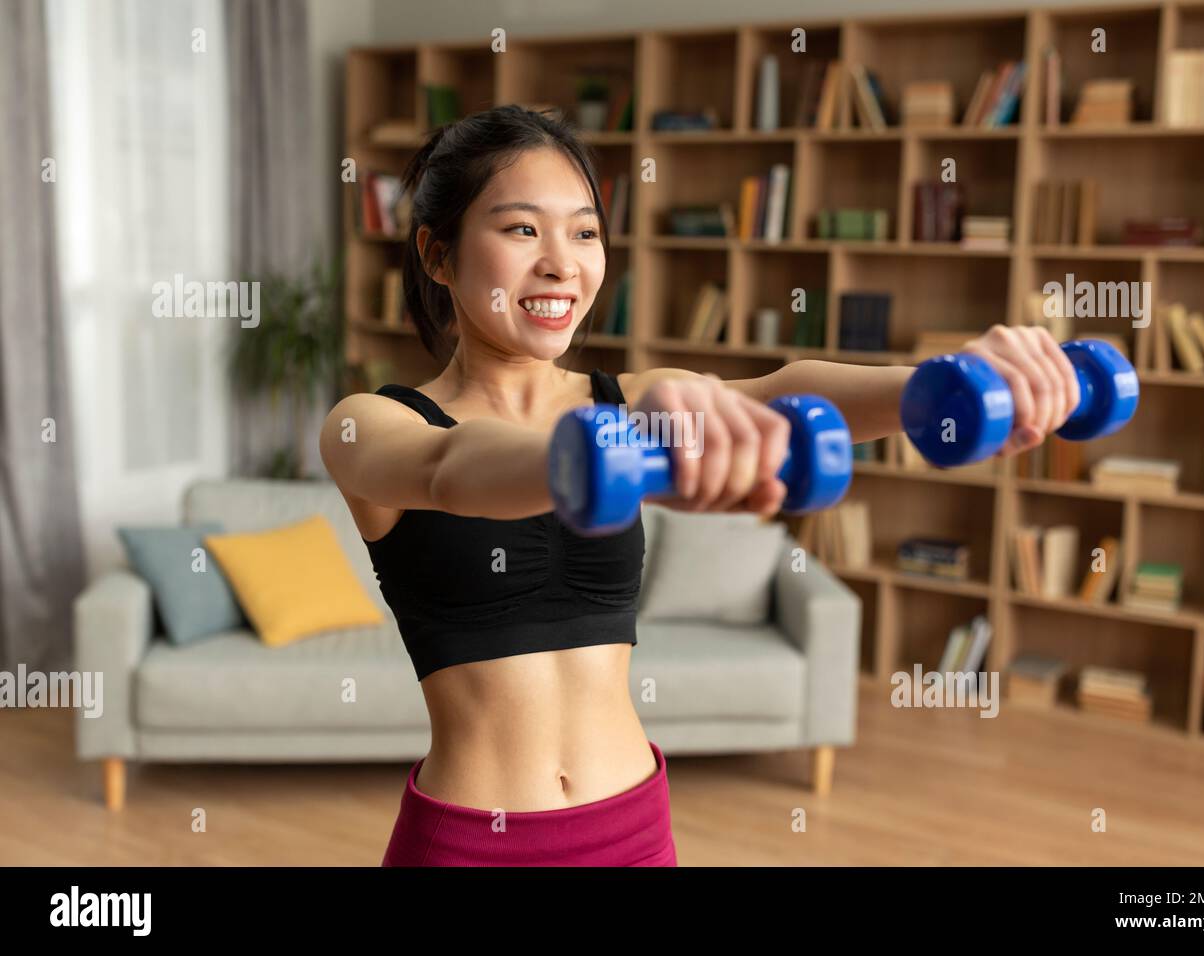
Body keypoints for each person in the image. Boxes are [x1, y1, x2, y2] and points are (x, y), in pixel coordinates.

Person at [319, 104, 1080, 867]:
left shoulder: (626, 398)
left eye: (584, 233)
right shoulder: (369, 425)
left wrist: (941, 386)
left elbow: (782, 392)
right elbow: (451, 469)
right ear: (437, 254)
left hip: (632, 833)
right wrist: (617, 441)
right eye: (522, 229)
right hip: (467, 847)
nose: (561, 264)